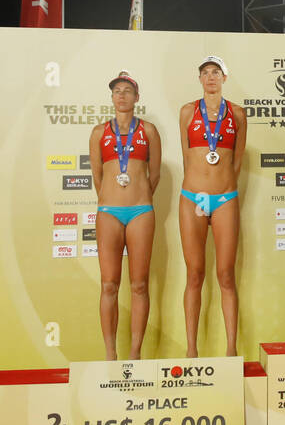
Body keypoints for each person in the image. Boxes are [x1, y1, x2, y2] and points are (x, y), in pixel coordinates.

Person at [178, 56, 247, 358]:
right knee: (194, 274)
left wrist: (222, 189)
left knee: (226, 275)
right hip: (193, 197)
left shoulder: (239, 114)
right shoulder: (187, 112)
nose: (210, 77)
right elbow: (185, 157)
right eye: (205, 73)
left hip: (224, 199)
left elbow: (238, 159)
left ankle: (231, 350)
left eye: (215, 72)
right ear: (200, 79)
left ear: (224, 78)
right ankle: (191, 351)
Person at [91, 73, 162, 361]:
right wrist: (111, 196)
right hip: (108, 212)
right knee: (108, 284)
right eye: (117, 91)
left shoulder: (149, 131)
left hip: (141, 212)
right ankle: (110, 354)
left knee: (140, 284)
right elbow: (97, 176)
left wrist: (139, 195)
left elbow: (154, 174)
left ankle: (135, 353)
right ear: (112, 97)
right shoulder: (98, 133)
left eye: (127, 91)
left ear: (136, 98)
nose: (121, 95)